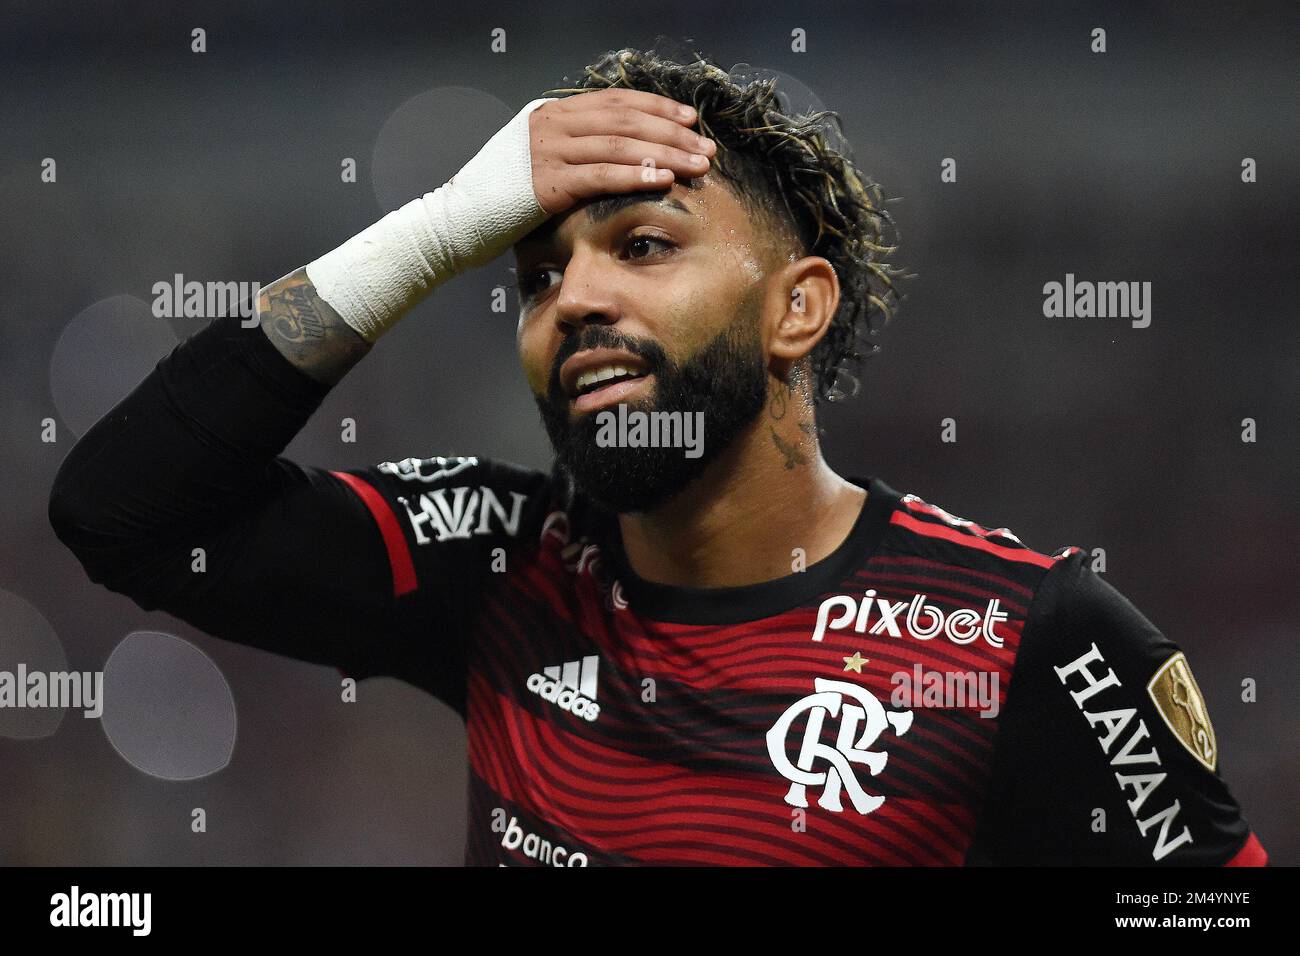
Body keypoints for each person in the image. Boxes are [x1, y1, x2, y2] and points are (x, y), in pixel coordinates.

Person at [49, 48, 1266, 866]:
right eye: (531, 275)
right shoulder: (504, 568)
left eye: (640, 245)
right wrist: (427, 234)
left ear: (797, 308)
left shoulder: (1034, 637)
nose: (571, 297)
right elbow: (125, 511)